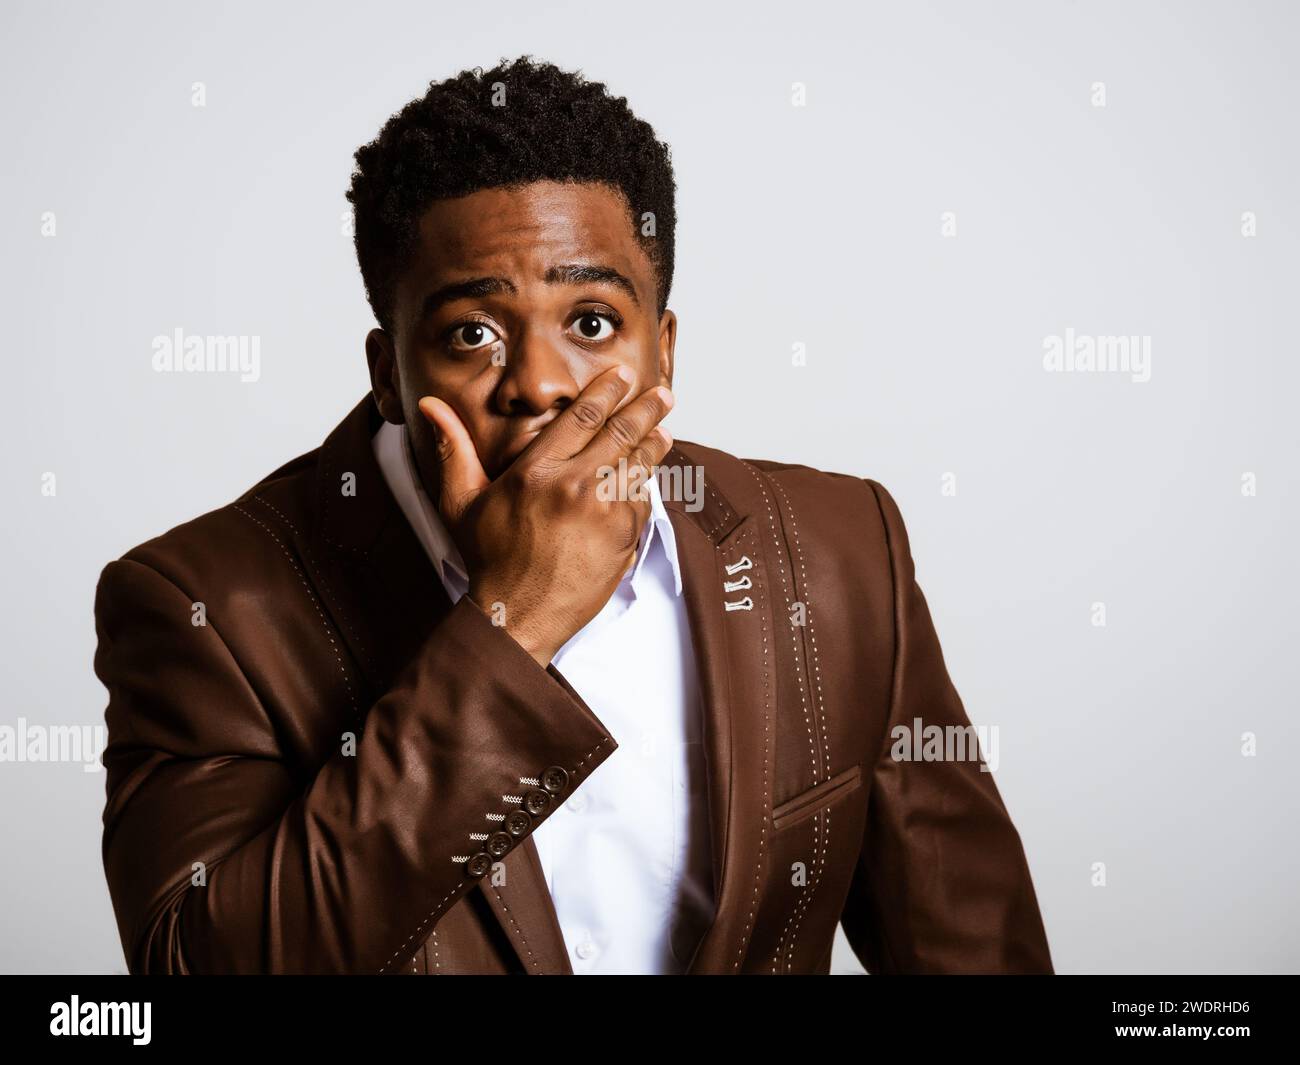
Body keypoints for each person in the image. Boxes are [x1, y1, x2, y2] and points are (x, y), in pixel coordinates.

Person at [93, 56, 1052, 975]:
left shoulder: (838, 553)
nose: (542, 385)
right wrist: (515, 623)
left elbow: (971, 948)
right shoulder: (203, 606)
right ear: (389, 374)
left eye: (592, 322)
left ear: (662, 351)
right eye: (473, 333)